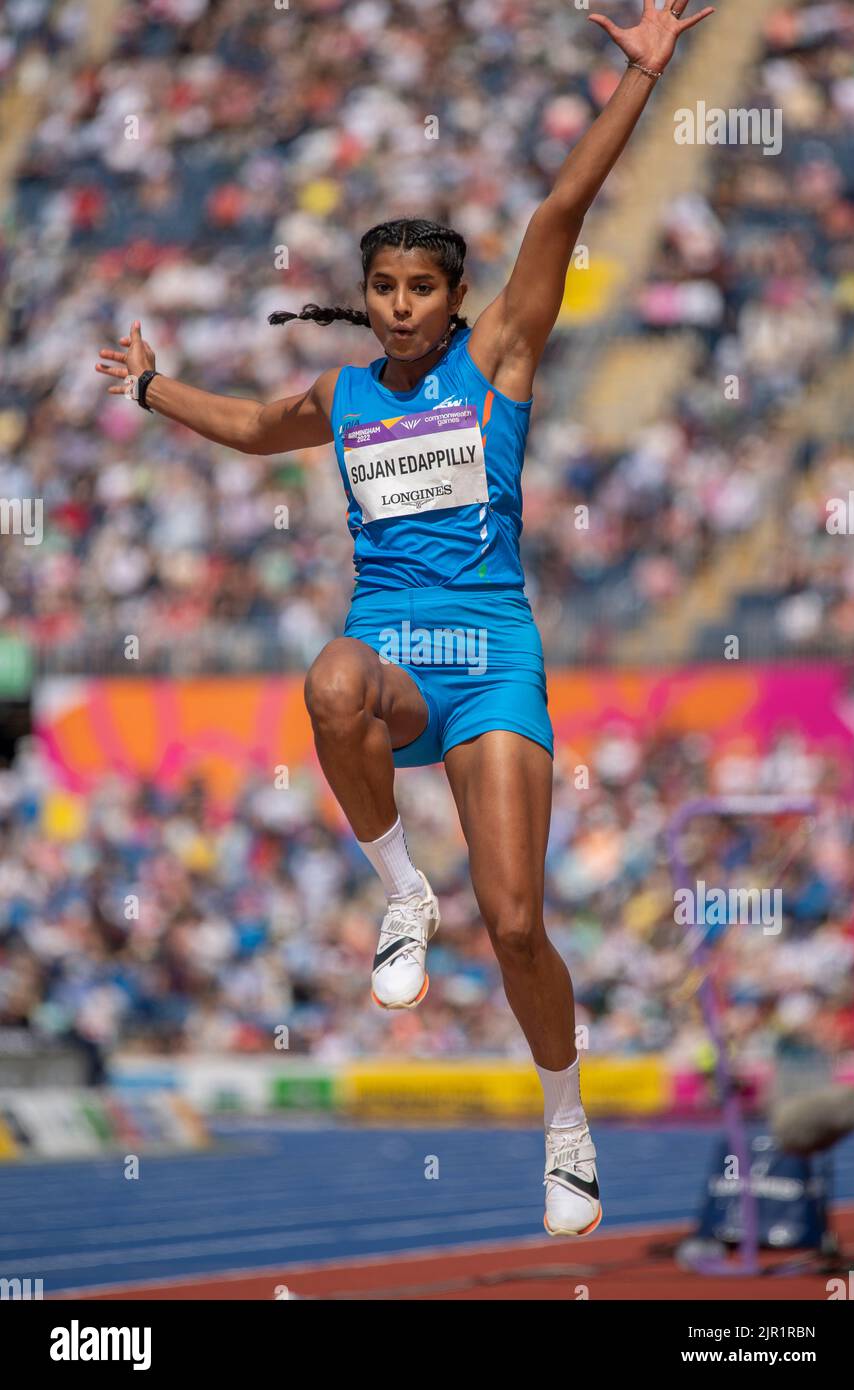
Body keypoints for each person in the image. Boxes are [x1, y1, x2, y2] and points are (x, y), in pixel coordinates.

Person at [96, 0, 714, 1237]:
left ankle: (564, 1122)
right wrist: (156, 387)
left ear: (455, 297)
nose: (393, 307)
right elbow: (249, 426)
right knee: (327, 681)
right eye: (377, 287)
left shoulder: (498, 361)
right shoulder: (339, 395)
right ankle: (398, 890)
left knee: (521, 922)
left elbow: (557, 216)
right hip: (391, 653)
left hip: (490, 657)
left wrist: (640, 79)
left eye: (416, 288)